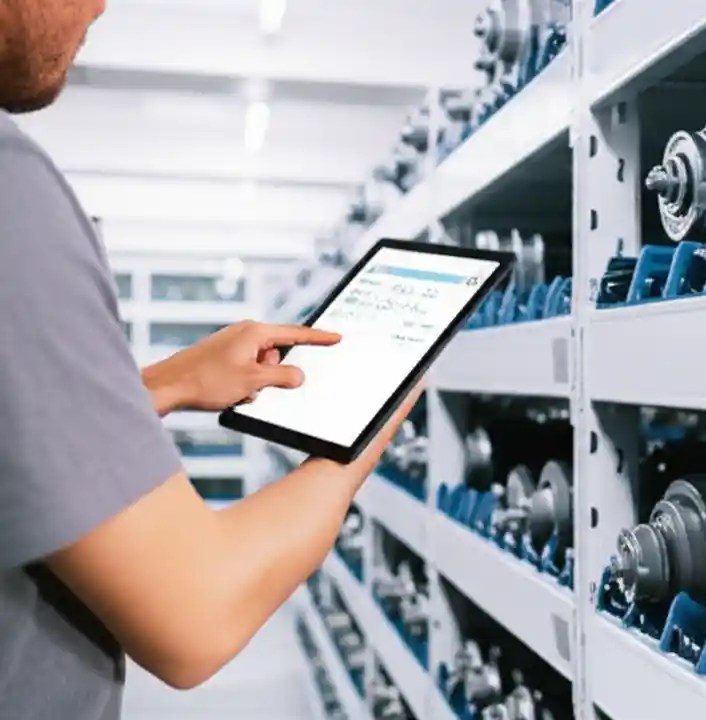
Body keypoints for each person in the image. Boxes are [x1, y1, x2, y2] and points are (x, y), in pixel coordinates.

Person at [0, 2, 423, 718]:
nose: (102, 3)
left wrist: (166, 383)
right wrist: (366, 421)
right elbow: (199, 612)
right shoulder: (11, 190)